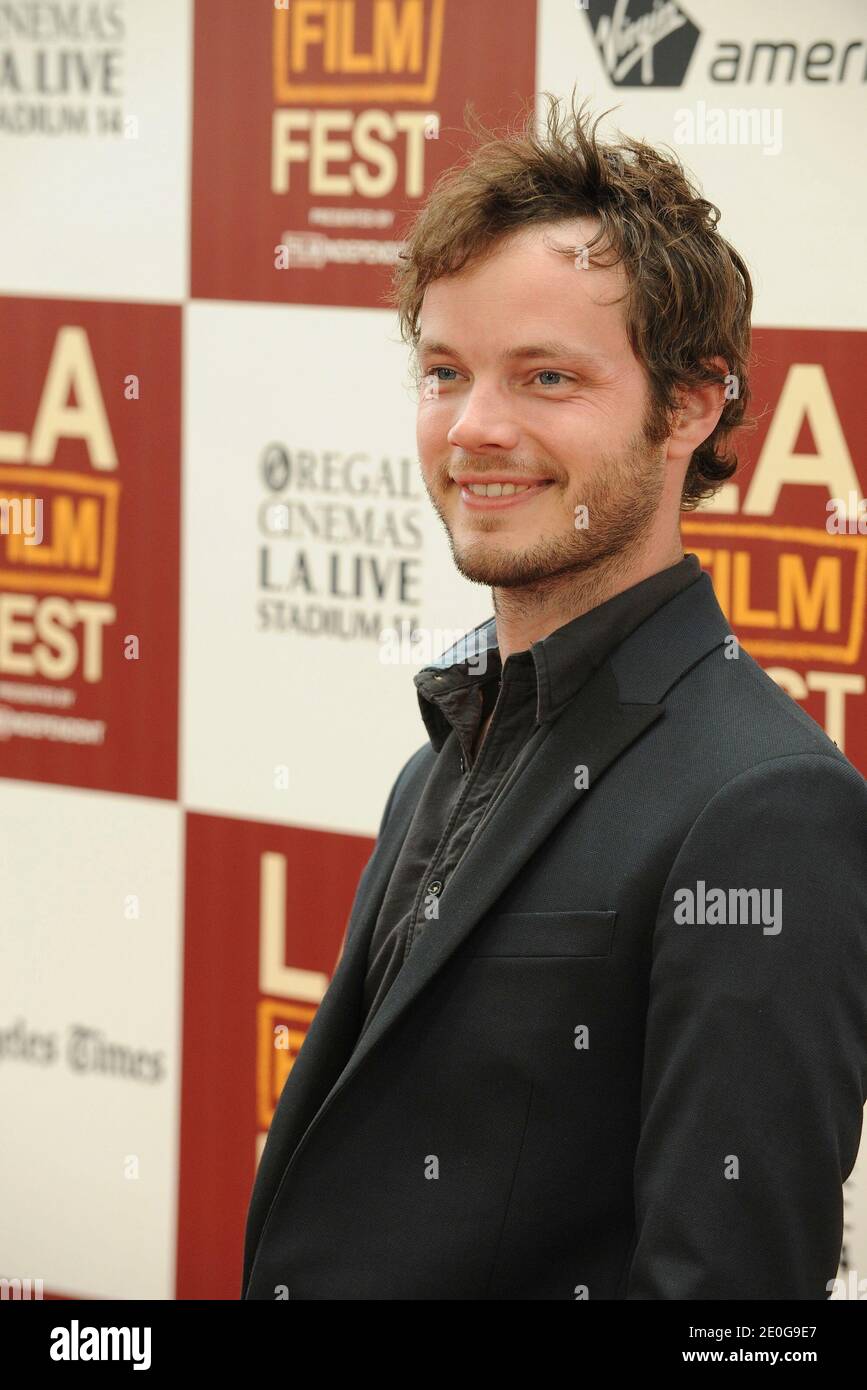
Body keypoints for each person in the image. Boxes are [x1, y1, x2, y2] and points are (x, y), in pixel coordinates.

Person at [242, 94, 867, 1300]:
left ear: (690, 405)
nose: (475, 428)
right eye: (443, 372)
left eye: (545, 376)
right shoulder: (446, 751)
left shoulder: (769, 807)